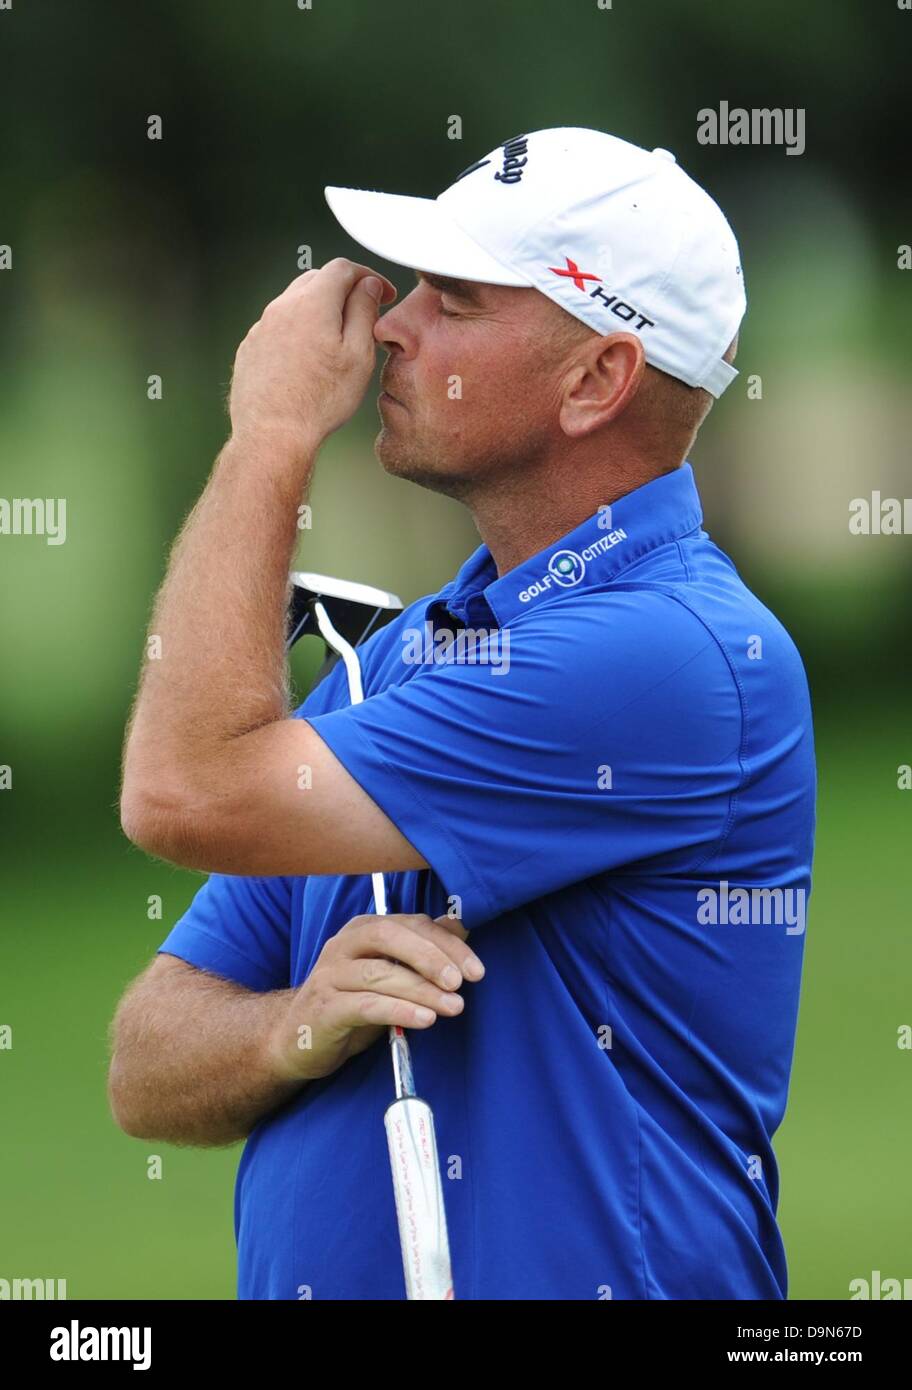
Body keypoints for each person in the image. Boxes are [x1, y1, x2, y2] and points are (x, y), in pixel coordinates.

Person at [110, 128, 816, 1300]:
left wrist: (272, 438)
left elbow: (183, 789)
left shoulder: (668, 654)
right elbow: (147, 1060)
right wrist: (297, 1021)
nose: (392, 323)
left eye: (455, 297)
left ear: (596, 380)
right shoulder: (404, 658)